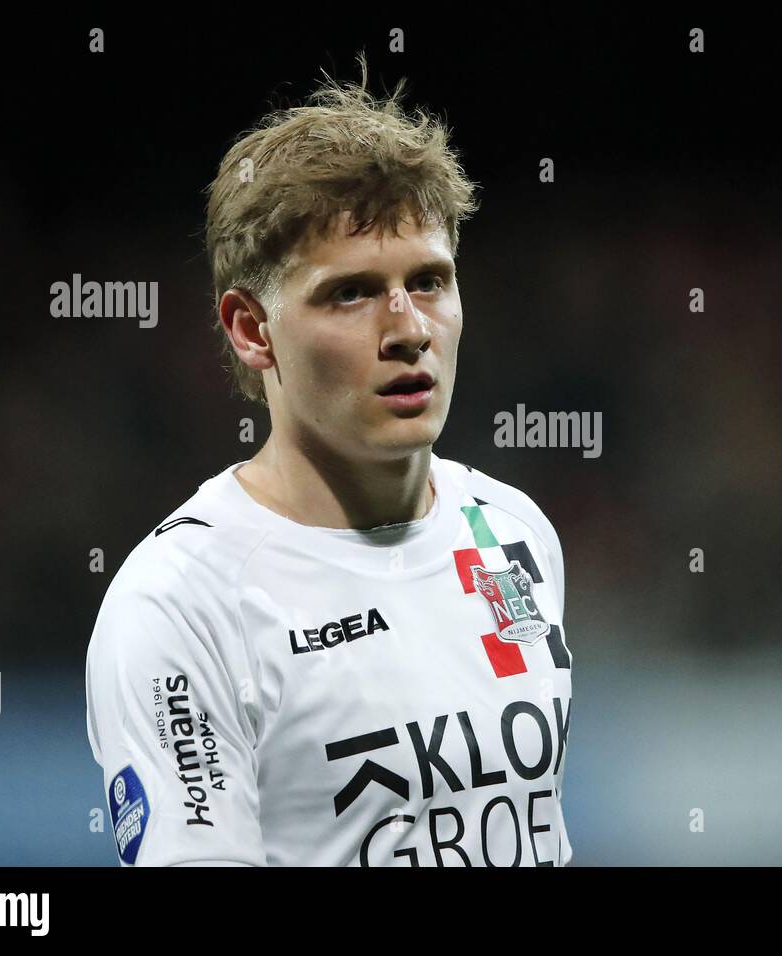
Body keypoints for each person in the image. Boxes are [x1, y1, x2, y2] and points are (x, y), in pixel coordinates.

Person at [84, 59, 574, 866]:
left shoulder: (516, 534)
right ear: (251, 329)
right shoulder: (181, 607)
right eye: (350, 293)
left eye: (429, 280)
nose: (408, 327)